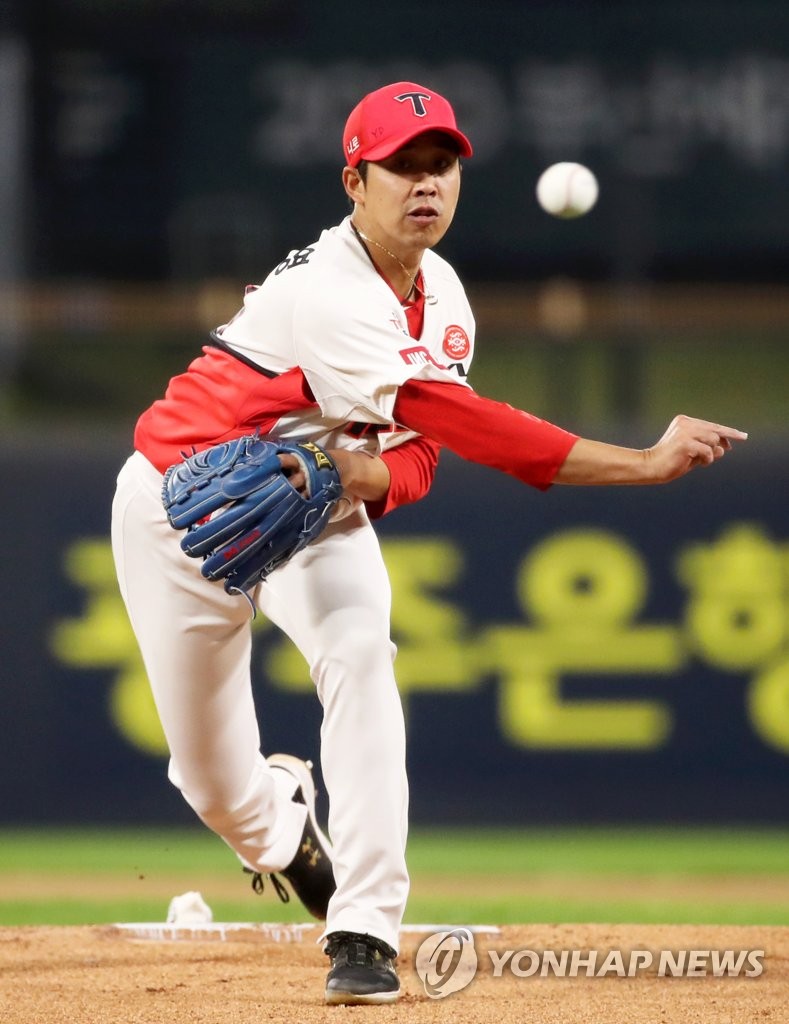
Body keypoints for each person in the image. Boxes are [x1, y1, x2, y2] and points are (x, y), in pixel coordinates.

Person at [111, 81, 747, 1005]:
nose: (425, 183)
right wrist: (639, 463)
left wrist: (354, 474)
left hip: (313, 505)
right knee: (212, 785)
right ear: (353, 182)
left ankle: (364, 927)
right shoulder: (328, 291)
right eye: (400, 165)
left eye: (440, 164)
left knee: (362, 652)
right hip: (178, 507)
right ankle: (283, 832)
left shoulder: (442, 295)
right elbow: (462, 422)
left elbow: (419, 456)